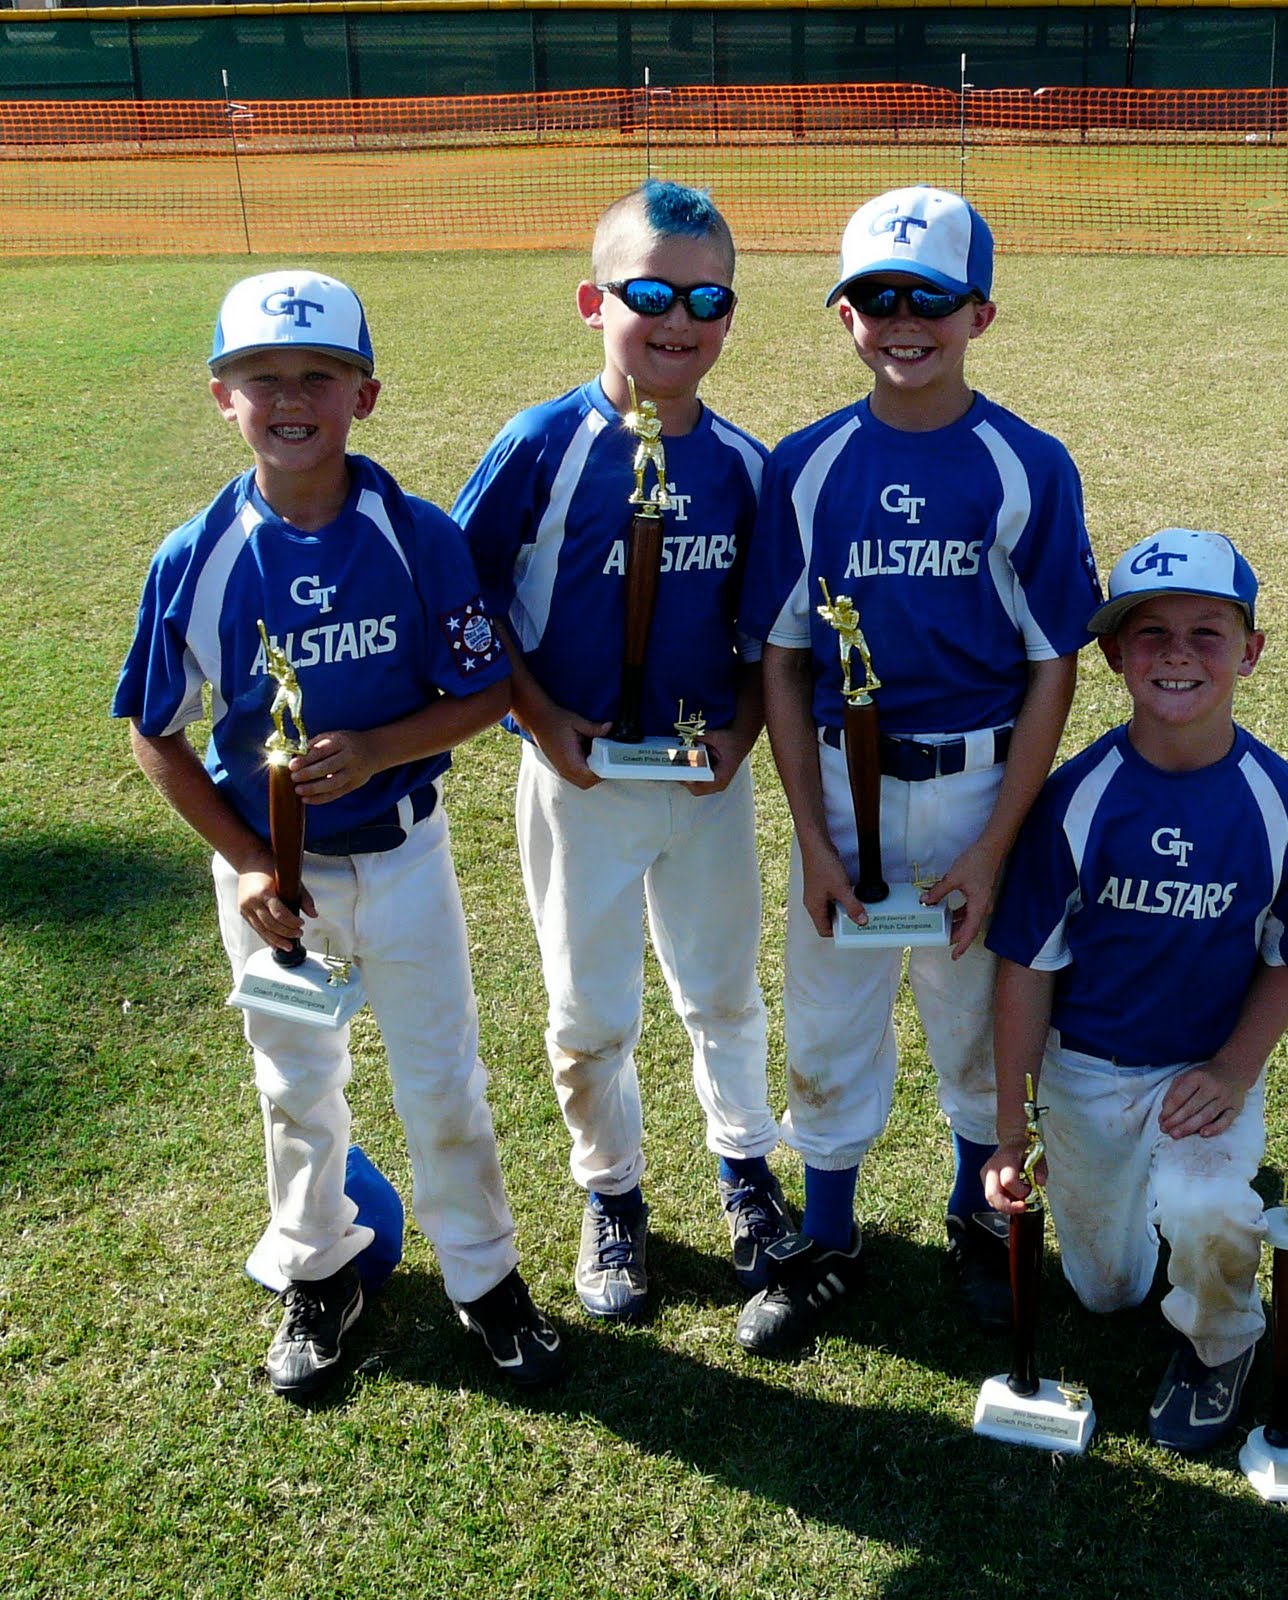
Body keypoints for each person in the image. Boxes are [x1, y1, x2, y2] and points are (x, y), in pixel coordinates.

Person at [113, 270, 565, 1398]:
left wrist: (377, 749)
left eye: (320, 375)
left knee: (442, 1080)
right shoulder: (197, 554)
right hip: (274, 882)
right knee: (294, 1088)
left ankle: (485, 1277)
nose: (291, 398)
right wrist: (246, 861)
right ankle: (319, 1272)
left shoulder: (416, 536)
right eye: (261, 377)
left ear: (364, 395)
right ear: (222, 396)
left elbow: (484, 691)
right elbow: (156, 732)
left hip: (403, 854)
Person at [734, 185, 1101, 1356]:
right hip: (840, 787)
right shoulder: (806, 464)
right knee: (826, 1020)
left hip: (975, 787)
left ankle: (976, 1217)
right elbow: (782, 658)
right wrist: (810, 837)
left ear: (978, 314)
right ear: (844, 315)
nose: (903, 321)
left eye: (929, 299)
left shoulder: (1024, 463)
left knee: (977, 1022)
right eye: (876, 297)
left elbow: (1051, 662)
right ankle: (827, 1236)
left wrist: (994, 847)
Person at [452, 181, 787, 1323]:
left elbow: (767, 631)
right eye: (650, 293)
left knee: (721, 989)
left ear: (729, 314)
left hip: (700, 778)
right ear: (595, 301)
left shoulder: (743, 466)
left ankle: (745, 1172)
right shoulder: (541, 444)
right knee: (587, 1008)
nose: (677, 319)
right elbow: (466, 596)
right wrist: (539, 716)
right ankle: (612, 1194)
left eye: (707, 298)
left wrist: (741, 732)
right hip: (578, 775)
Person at [983, 528, 1288, 1453]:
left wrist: (1232, 1071)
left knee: (1205, 1211)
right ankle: (1162, 1205)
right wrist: (1013, 1132)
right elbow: (1026, 968)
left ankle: (1220, 1341)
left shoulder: (1285, 806)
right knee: (1105, 1293)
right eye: (1150, 633)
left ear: (1250, 652)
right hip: (1087, 1073)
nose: (1176, 654)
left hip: (1200, 1073)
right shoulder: (1075, 800)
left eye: (1206, 633)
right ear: (1112, 654)